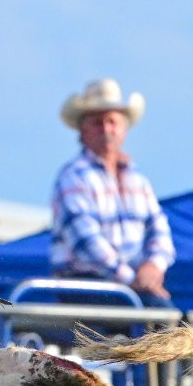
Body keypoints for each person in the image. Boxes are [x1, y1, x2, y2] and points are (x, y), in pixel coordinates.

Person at [50, 78, 174, 306]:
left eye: (112, 121)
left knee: (164, 317)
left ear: (124, 129)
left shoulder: (138, 179)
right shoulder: (73, 176)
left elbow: (159, 228)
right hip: (85, 286)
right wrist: (133, 278)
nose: (106, 129)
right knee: (160, 316)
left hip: (133, 287)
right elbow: (86, 241)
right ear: (83, 130)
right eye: (98, 122)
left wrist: (154, 266)